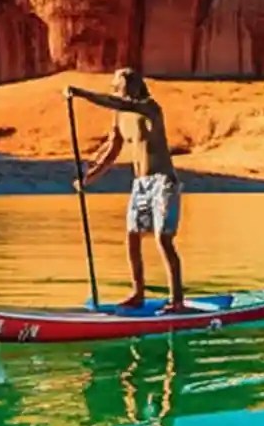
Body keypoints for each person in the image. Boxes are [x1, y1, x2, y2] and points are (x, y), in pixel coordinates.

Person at [64, 67, 185, 312]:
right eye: (119, 84)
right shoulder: (120, 115)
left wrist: (81, 93)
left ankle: (178, 302)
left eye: (126, 84)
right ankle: (137, 294)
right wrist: (88, 178)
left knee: (163, 238)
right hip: (140, 184)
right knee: (132, 237)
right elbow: (112, 150)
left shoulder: (150, 107)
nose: (122, 88)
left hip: (163, 181)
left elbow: (111, 102)